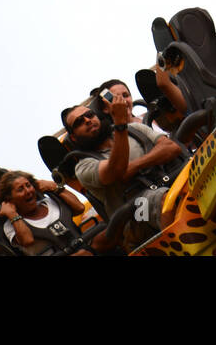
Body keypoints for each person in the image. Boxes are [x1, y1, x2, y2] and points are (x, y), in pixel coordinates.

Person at [63, 97, 182, 247]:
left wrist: (134, 166)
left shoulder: (134, 130)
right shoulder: (84, 166)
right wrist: (119, 124)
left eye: (90, 115)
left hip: (169, 185)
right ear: (73, 136)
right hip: (136, 216)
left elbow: (172, 148)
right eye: (79, 122)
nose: (87, 120)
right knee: (165, 200)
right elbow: (117, 170)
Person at [0, 170, 94, 256]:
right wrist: (12, 214)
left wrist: (56, 188)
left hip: (82, 247)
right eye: (20, 189)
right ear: (9, 199)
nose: (28, 191)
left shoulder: (50, 202)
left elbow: (79, 208)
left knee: (104, 234)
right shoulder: (10, 225)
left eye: (28, 185)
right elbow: (27, 240)